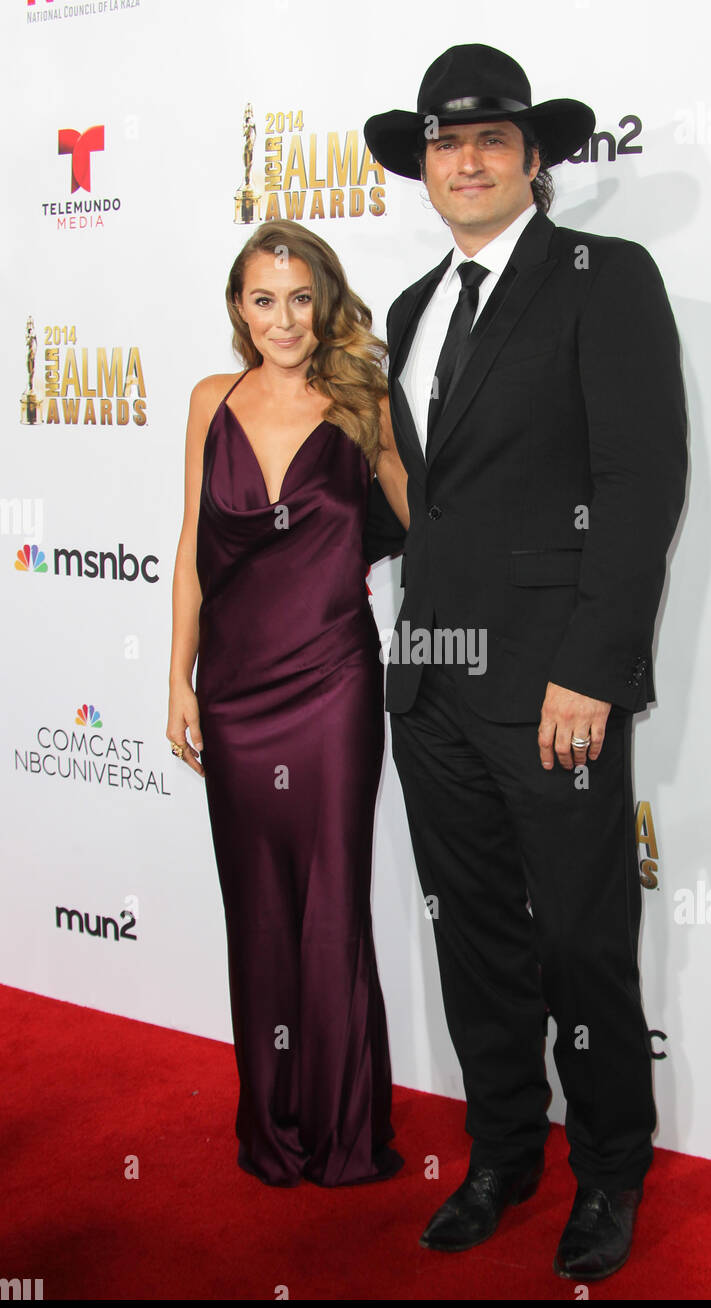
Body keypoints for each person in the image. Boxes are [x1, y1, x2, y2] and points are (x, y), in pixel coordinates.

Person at [364, 44, 688, 1278]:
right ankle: (502, 1148)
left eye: (492, 137)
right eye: (446, 143)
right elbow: (421, 510)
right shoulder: (407, 308)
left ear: (534, 158)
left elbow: (638, 477)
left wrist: (592, 669)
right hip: (431, 674)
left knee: (579, 940)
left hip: (550, 681)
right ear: (425, 168)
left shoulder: (602, 278)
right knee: (473, 935)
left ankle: (608, 1168)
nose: (467, 158)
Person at [166, 220, 408, 1188]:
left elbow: (428, 522)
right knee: (257, 910)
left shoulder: (361, 404)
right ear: (238, 307)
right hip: (231, 691)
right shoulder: (207, 402)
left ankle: (346, 1135)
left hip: (333, 683)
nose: (283, 318)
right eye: (262, 299)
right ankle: (273, 1129)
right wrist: (174, 679)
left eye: (300, 297)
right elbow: (189, 549)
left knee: (330, 907)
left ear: (326, 300)